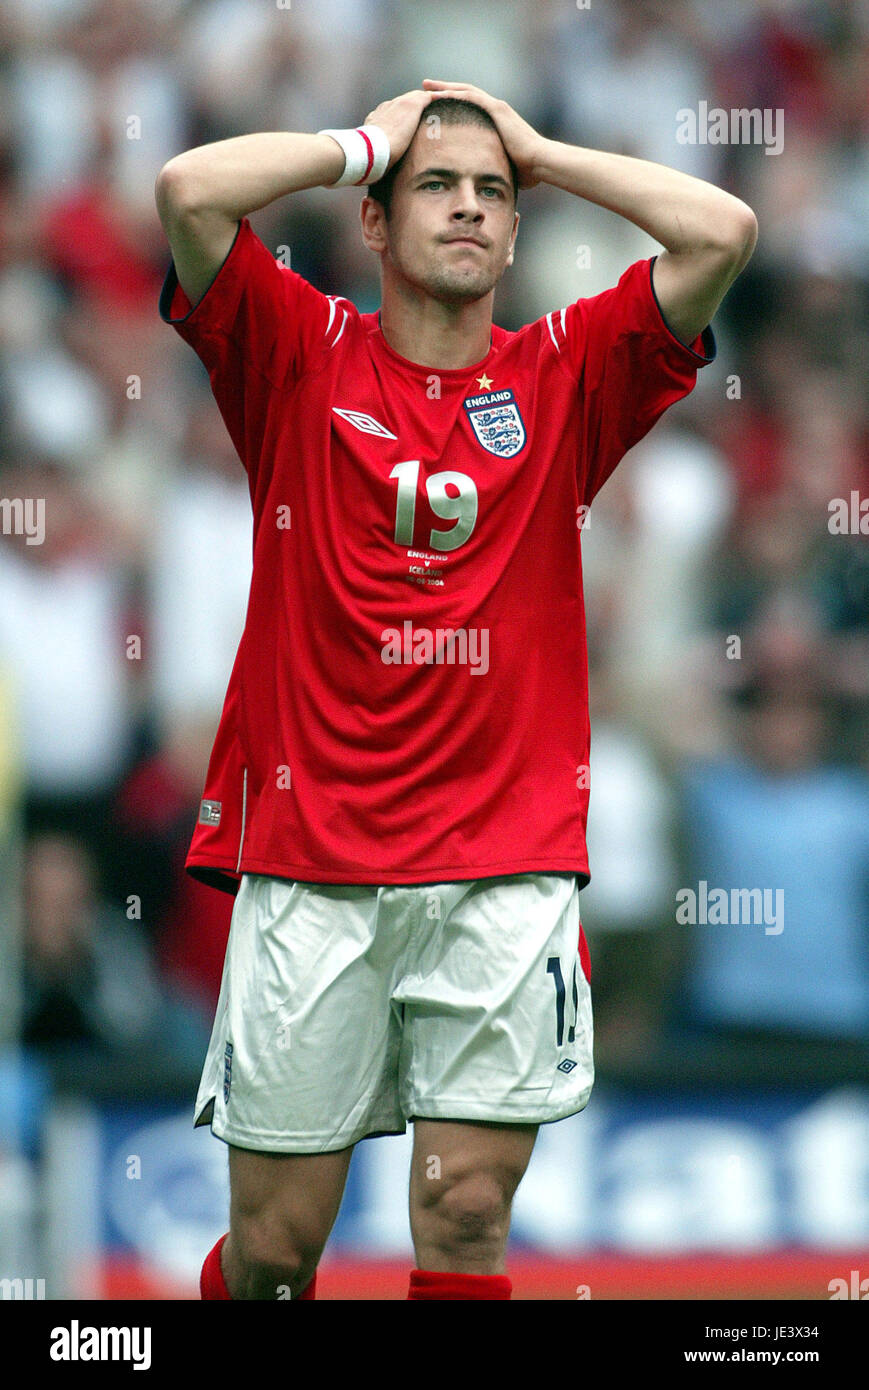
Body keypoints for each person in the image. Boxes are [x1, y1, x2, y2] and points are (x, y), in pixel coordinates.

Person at [155, 78, 756, 1301]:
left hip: (505, 859)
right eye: (434, 185)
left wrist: (539, 149)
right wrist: (360, 143)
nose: (469, 207)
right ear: (373, 224)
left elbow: (721, 234)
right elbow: (186, 192)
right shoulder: (296, 354)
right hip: (313, 855)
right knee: (274, 1254)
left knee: (467, 1215)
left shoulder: (565, 370)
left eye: (491, 193)